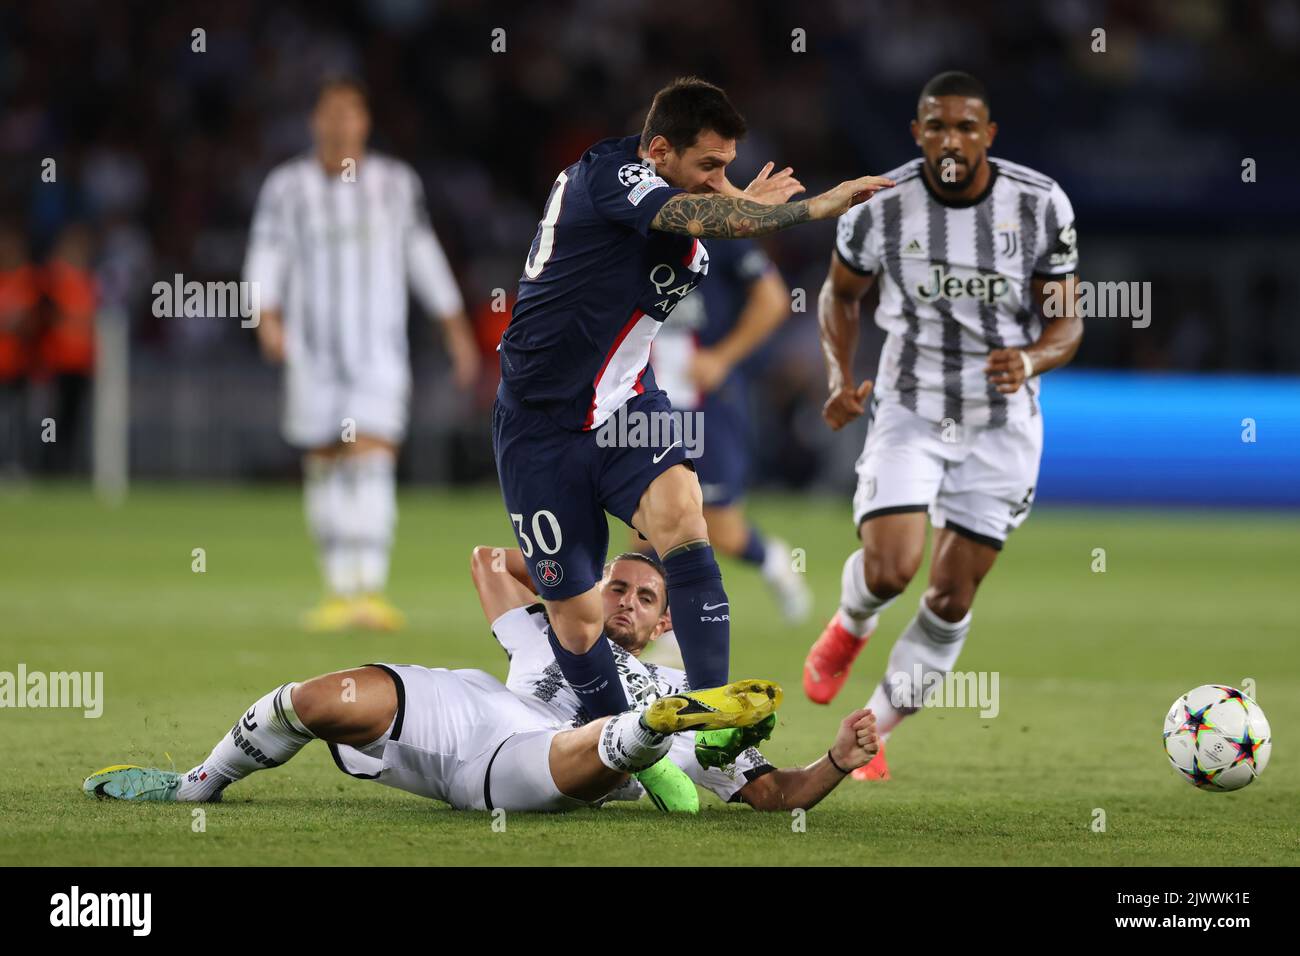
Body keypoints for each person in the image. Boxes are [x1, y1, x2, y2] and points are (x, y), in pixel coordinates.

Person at [496, 75, 893, 718]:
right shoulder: (609, 175)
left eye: (727, 164)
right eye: (708, 164)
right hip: (538, 422)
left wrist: (741, 201)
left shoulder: (701, 203)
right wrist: (811, 207)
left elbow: (717, 225)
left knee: (686, 516)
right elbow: (688, 215)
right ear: (657, 152)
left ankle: (709, 717)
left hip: (627, 403)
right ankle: (614, 737)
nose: (719, 179)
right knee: (574, 620)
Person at [82, 549, 883, 813]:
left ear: (667, 622)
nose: (626, 605)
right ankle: (195, 785)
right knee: (312, 700)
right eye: (617, 588)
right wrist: (567, 574)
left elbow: (776, 795)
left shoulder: (704, 703)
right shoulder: (553, 625)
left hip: (539, 767)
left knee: (610, 739)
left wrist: (837, 763)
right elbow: (487, 561)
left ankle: (642, 733)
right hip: (477, 708)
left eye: (645, 599)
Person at [804, 71, 1082, 780]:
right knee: (892, 568)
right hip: (912, 406)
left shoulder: (1041, 203)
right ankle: (851, 623)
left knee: (952, 594)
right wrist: (839, 377)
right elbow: (840, 295)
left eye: (965, 126)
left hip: (1002, 425)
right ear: (917, 134)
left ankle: (875, 729)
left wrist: (1031, 358)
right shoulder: (879, 205)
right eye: (936, 126)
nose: (950, 139)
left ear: (988, 135)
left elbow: (1066, 321)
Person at [243, 75, 479, 633]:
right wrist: (266, 317)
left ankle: (369, 588)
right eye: (331, 112)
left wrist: (456, 329)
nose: (341, 123)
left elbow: (422, 255)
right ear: (315, 121)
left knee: (372, 456)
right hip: (313, 352)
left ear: (365, 122)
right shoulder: (287, 186)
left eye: (352, 112)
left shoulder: (396, 183)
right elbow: (265, 255)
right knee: (324, 461)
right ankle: (336, 590)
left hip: (377, 352)